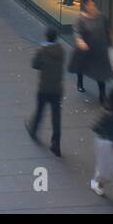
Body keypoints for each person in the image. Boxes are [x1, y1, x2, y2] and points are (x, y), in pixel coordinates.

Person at [27, 27, 65, 156]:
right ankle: (56, 143)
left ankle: (34, 130)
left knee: (40, 111)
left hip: (44, 87)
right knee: (56, 116)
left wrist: (41, 50)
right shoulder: (61, 50)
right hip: (57, 88)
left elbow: (35, 64)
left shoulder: (42, 51)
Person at [69, 0, 113, 103]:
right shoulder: (81, 18)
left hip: (98, 48)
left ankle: (102, 96)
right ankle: (80, 83)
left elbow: (107, 30)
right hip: (85, 48)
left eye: (93, 5)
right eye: (89, 5)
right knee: (82, 66)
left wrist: (110, 41)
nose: (92, 7)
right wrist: (80, 41)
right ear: (85, 6)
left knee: (100, 72)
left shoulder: (101, 17)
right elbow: (77, 31)